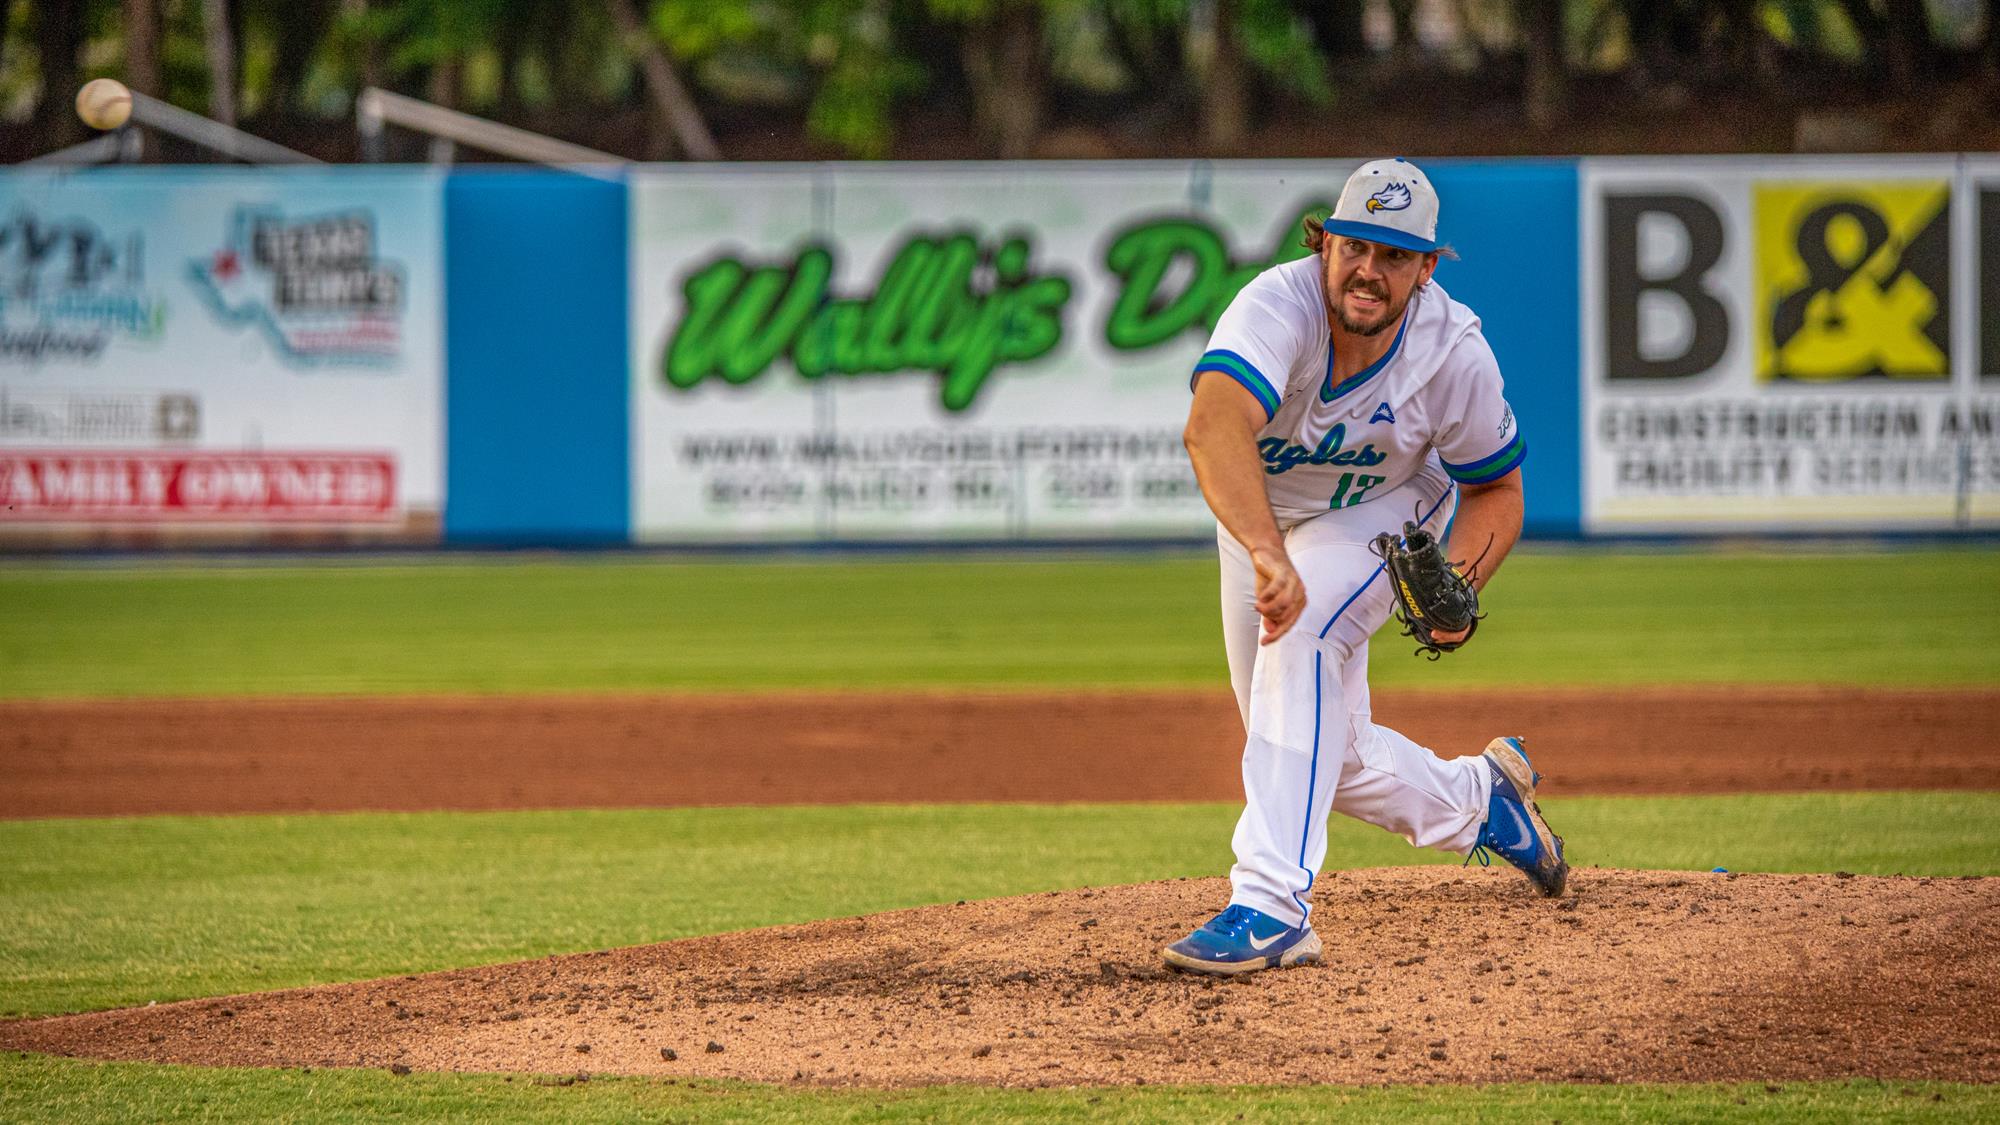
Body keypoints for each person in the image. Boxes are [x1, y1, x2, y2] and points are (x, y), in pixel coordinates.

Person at [1164, 158, 1567, 976]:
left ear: (1425, 268)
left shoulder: (1452, 352)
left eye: (1392, 255)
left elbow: (1497, 488)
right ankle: (1480, 800)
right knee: (1315, 747)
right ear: (1324, 243)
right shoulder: (1277, 306)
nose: (1368, 271)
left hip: (1386, 509)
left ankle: (1271, 904)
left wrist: (1459, 581)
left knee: (1303, 632)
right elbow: (1213, 427)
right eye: (1354, 246)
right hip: (1262, 519)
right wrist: (1267, 551)